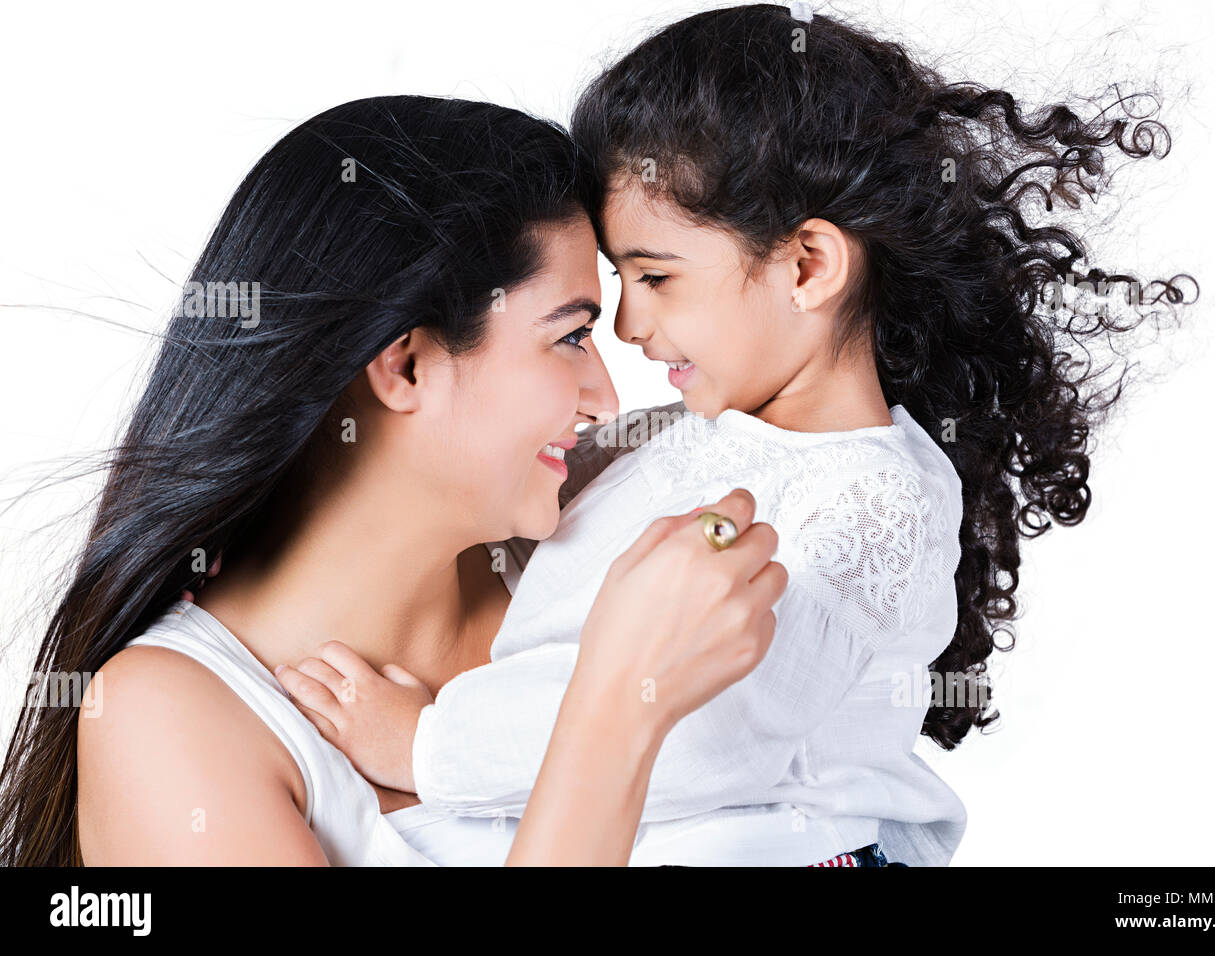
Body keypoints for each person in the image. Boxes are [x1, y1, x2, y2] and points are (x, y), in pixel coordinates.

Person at [277, 4, 1194, 866]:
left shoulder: (874, 498)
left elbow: (711, 736)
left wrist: (427, 743)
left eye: (657, 277)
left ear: (806, 266)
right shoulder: (665, 439)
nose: (628, 327)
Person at [0, 95, 786, 866]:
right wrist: (615, 711)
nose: (606, 400)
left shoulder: (598, 541)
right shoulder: (168, 719)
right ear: (405, 364)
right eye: (571, 336)